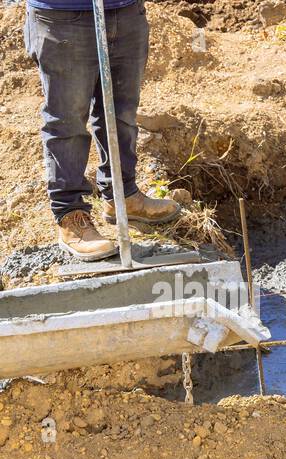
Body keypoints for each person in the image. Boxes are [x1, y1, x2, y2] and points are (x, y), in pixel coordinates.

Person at [24, 0, 181, 262]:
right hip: (62, 16)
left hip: (125, 11)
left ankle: (122, 194)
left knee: (122, 113)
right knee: (67, 121)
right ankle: (71, 215)